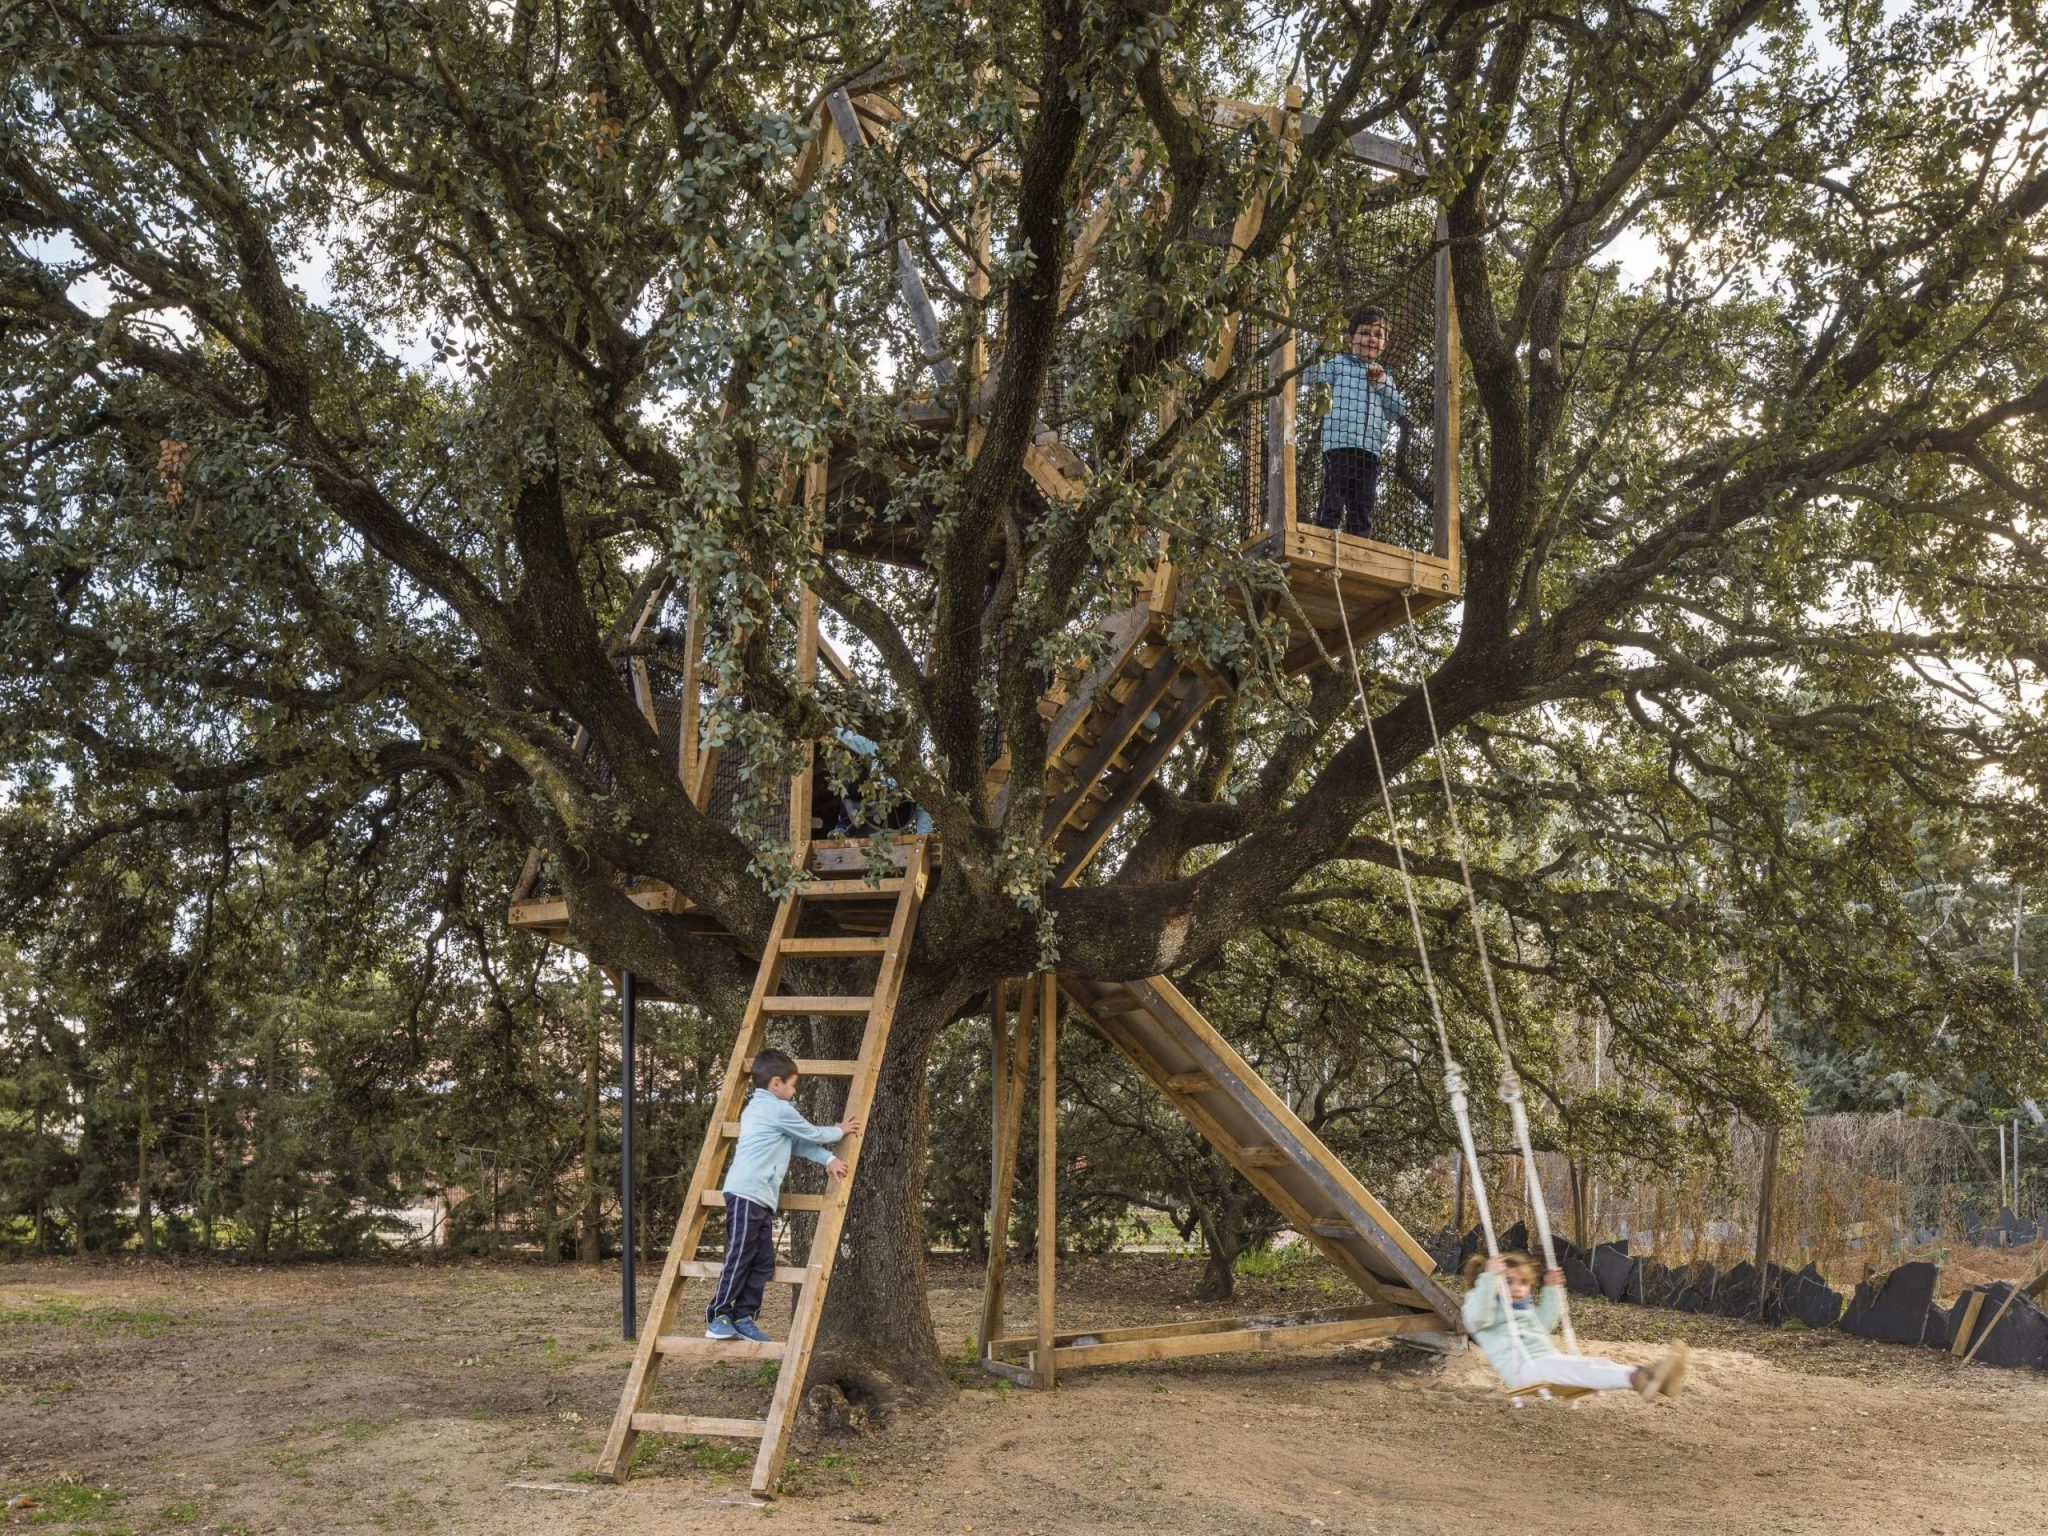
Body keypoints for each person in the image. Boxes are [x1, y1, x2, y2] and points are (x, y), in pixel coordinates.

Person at [705, 1049, 859, 1342]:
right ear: (776, 1084)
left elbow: (797, 1144)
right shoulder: (775, 1110)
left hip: (761, 1198)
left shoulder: (766, 1112)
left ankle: (744, 1316)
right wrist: (839, 1131)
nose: (794, 1089)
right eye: (792, 1084)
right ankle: (719, 1314)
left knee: (763, 1261)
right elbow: (812, 1133)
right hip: (746, 1193)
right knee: (739, 1255)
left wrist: (828, 1160)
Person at [1461, 1252, 1690, 1398]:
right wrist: (1489, 1279)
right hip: (1522, 1370)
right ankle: (1638, 1377)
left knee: (1597, 1362)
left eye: (1523, 1282)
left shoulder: (1523, 1312)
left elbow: (1546, 1323)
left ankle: (1651, 1378)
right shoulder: (1483, 1308)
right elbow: (1475, 1318)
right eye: (1509, 1281)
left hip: (1543, 1362)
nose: (1518, 1287)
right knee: (1575, 1368)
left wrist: (1551, 1290)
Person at [1300, 305, 1407, 538]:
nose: (1371, 339)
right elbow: (1309, 376)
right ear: (1350, 339)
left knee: (1364, 501)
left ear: (1385, 343)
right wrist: (1317, 346)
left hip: (1370, 450)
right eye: (1365, 333)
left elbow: (1397, 409)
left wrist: (1380, 384)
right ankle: (1324, 535)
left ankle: (1359, 544)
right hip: (1340, 444)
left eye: (1378, 335)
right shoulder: (1340, 365)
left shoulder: (1383, 376)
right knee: (1334, 495)